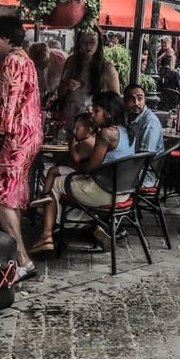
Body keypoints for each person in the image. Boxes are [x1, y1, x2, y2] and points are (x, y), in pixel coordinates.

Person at [0, 15, 42, 279]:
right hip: (26, 135)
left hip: (12, 137)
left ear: (7, 37)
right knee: (6, 195)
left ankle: (22, 260)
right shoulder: (26, 60)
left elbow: (10, 106)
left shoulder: (12, 61)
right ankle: (17, 259)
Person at [33, 91, 136, 253]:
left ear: (109, 114)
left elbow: (90, 169)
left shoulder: (106, 134)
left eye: (96, 111)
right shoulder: (128, 132)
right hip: (123, 192)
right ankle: (94, 228)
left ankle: (46, 236)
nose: (92, 114)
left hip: (104, 192)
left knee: (56, 183)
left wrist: (71, 165)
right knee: (73, 186)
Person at [27, 112, 98, 255]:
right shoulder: (92, 141)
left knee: (52, 171)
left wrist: (71, 144)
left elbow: (76, 158)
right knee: (55, 169)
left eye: (78, 128)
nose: (74, 131)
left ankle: (46, 195)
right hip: (79, 173)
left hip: (77, 173)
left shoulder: (87, 143)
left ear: (90, 129)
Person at [57, 27, 120, 123]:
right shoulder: (71, 61)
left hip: (93, 118)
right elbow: (60, 93)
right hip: (70, 115)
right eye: (84, 42)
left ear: (99, 42)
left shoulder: (107, 68)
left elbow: (115, 101)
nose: (88, 46)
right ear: (79, 43)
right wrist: (67, 85)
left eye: (92, 42)